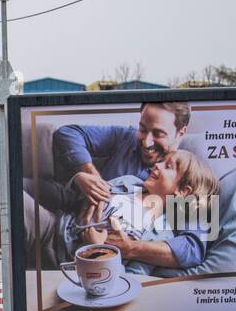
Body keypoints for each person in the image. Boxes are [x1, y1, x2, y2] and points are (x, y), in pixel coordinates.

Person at [24, 102, 192, 265]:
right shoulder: (127, 140)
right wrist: (89, 175)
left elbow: (193, 249)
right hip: (64, 217)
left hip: (74, 250)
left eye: (158, 134)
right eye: (142, 129)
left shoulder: (192, 175)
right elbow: (67, 133)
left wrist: (125, 248)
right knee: (13, 192)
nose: (146, 142)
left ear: (181, 132)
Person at [49, 149, 221, 274]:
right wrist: (79, 179)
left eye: (167, 166)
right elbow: (76, 198)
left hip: (66, 260)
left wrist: (97, 251)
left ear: (183, 192)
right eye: (162, 160)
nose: (157, 165)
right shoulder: (129, 182)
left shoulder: (161, 234)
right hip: (55, 225)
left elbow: (132, 278)